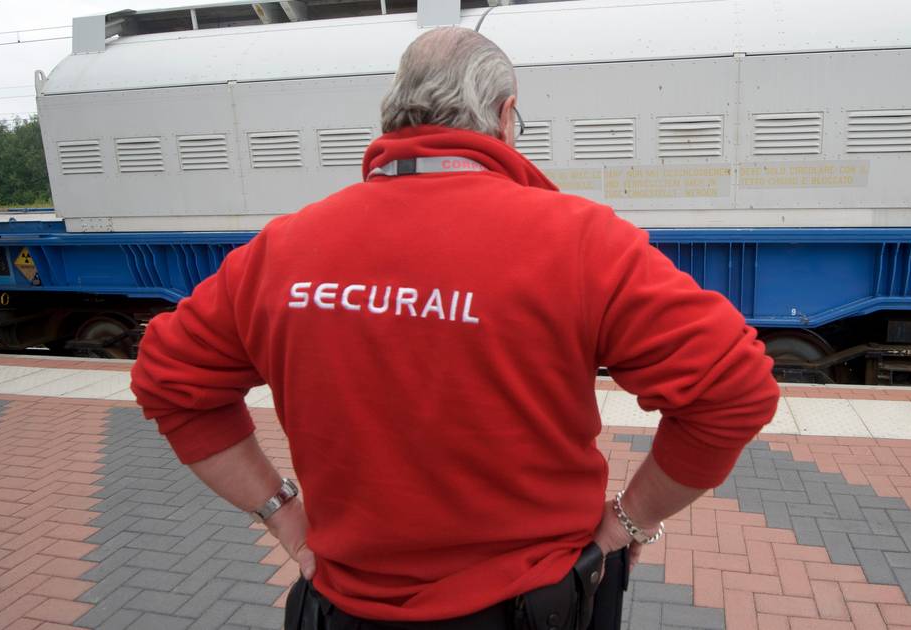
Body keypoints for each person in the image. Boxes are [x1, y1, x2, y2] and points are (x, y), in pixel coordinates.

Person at [130, 26, 778, 629]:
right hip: (535, 605)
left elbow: (166, 378)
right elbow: (734, 389)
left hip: (342, 605)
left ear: (393, 117)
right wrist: (628, 523)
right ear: (504, 115)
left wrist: (284, 516)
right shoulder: (580, 242)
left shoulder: (282, 252)